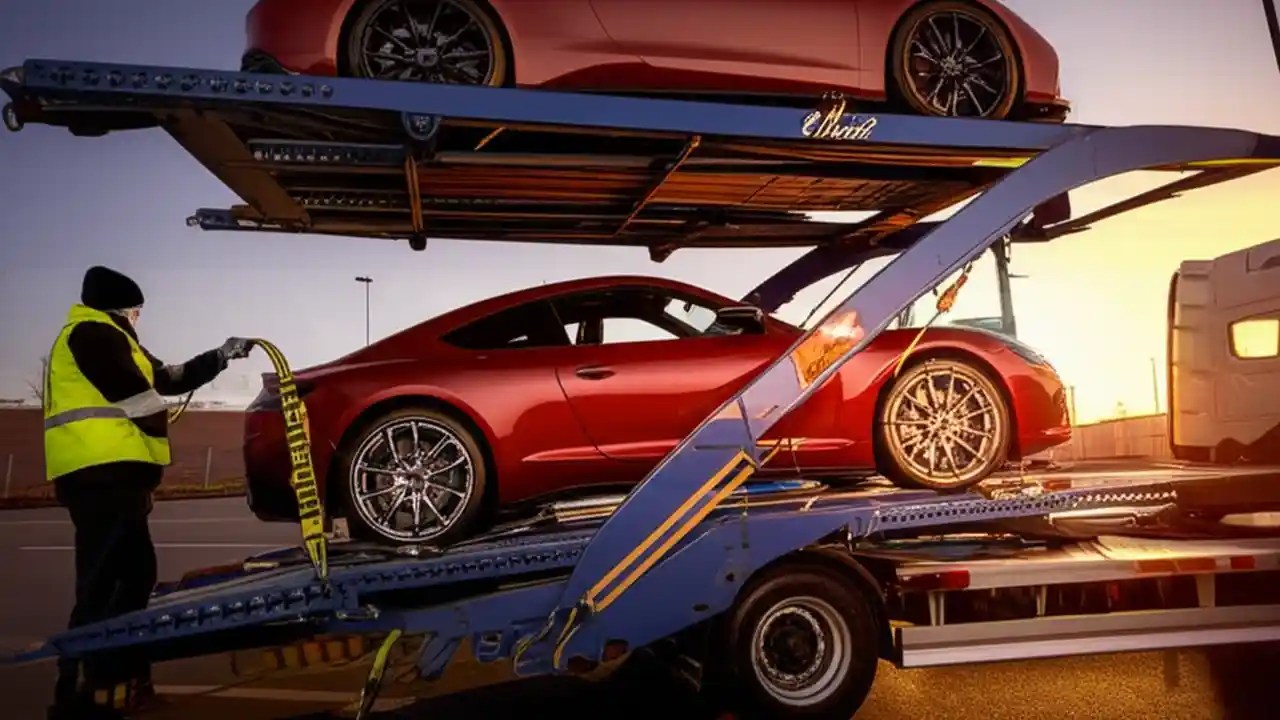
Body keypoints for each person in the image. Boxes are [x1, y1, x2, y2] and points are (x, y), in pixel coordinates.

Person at [43, 266, 255, 718]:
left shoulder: (119, 339)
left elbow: (169, 376)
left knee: (132, 580)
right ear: (121, 308)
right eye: (136, 310)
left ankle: (121, 685)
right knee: (102, 587)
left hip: (117, 479)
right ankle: (76, 697)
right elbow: (136, 396)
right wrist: (160, 419)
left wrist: (221, 356)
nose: (138, 317)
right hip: (99, 476)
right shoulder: (91, 333)